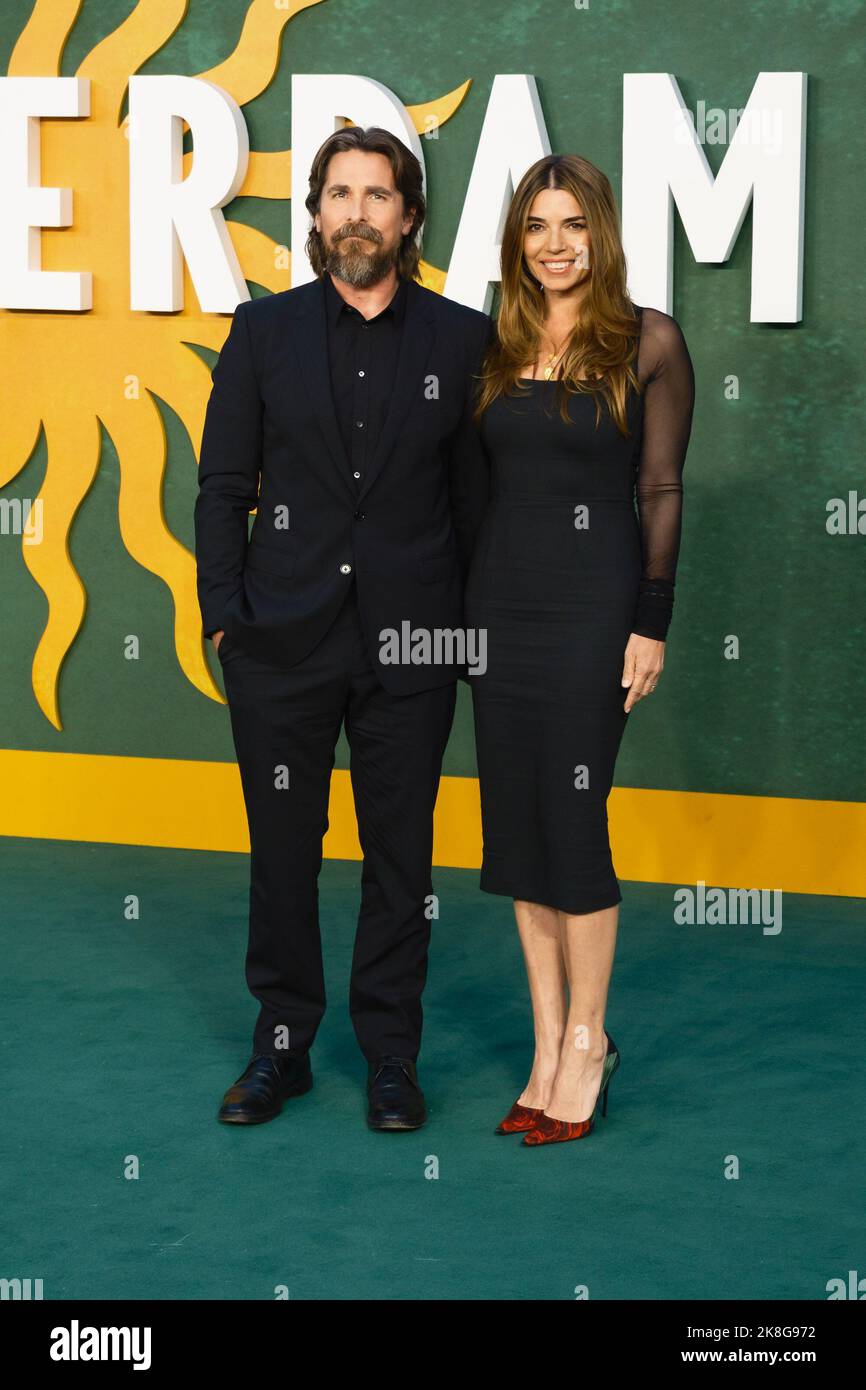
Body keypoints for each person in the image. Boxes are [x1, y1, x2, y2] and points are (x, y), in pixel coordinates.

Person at [194, 126, 492, 1131]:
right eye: (338, 194)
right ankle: (281, 1049)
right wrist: (225, 620)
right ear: (314, 214)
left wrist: (463, 638)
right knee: (283, 850)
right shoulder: (261, 332)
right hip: (278, 642)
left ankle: (390, 1057)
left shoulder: (460, 340)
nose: (356, 212)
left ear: (408, 218)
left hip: (413, 647)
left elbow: (473, 511)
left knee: (399, 859)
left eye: (377, 195)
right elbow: (223, 486)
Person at [466, 154, 695, 1146]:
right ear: (515, 240)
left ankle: (589, 1040)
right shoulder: (492, 341)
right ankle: (544, 1042)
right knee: (519, 831)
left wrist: (651, 618)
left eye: (571, 224)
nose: (553, 244)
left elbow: (660, 489)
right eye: (533, 226)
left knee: (571, 817)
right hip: (498, 608)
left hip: (594, 607)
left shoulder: (647, 341)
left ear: (600, 233)